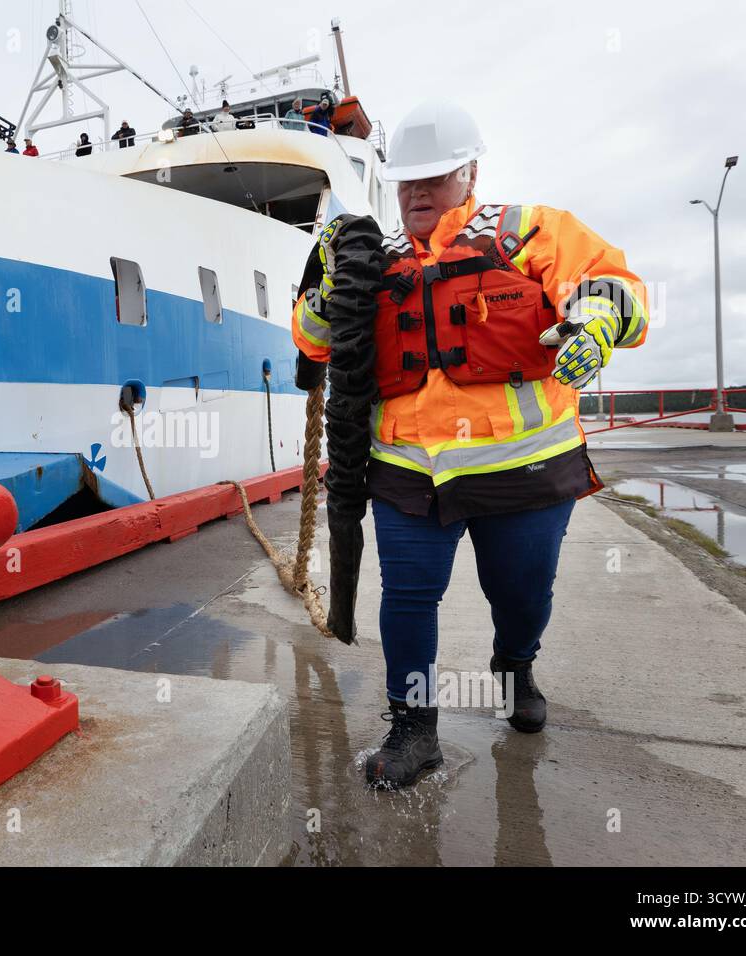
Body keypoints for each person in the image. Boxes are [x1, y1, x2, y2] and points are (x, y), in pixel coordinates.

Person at [290, 100, 649, 789]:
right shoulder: (374, 258)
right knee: (407, 595)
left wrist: (598, 319)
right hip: (405, 472)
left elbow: (615, 286)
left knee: (520, 594)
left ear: (471, 172)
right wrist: (324, 291)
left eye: (435, 178)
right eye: (407, 181)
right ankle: (414, 728)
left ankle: (514, 668)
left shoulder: (533, 231)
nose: (417, 193)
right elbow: (312, 342)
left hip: (523, 471)